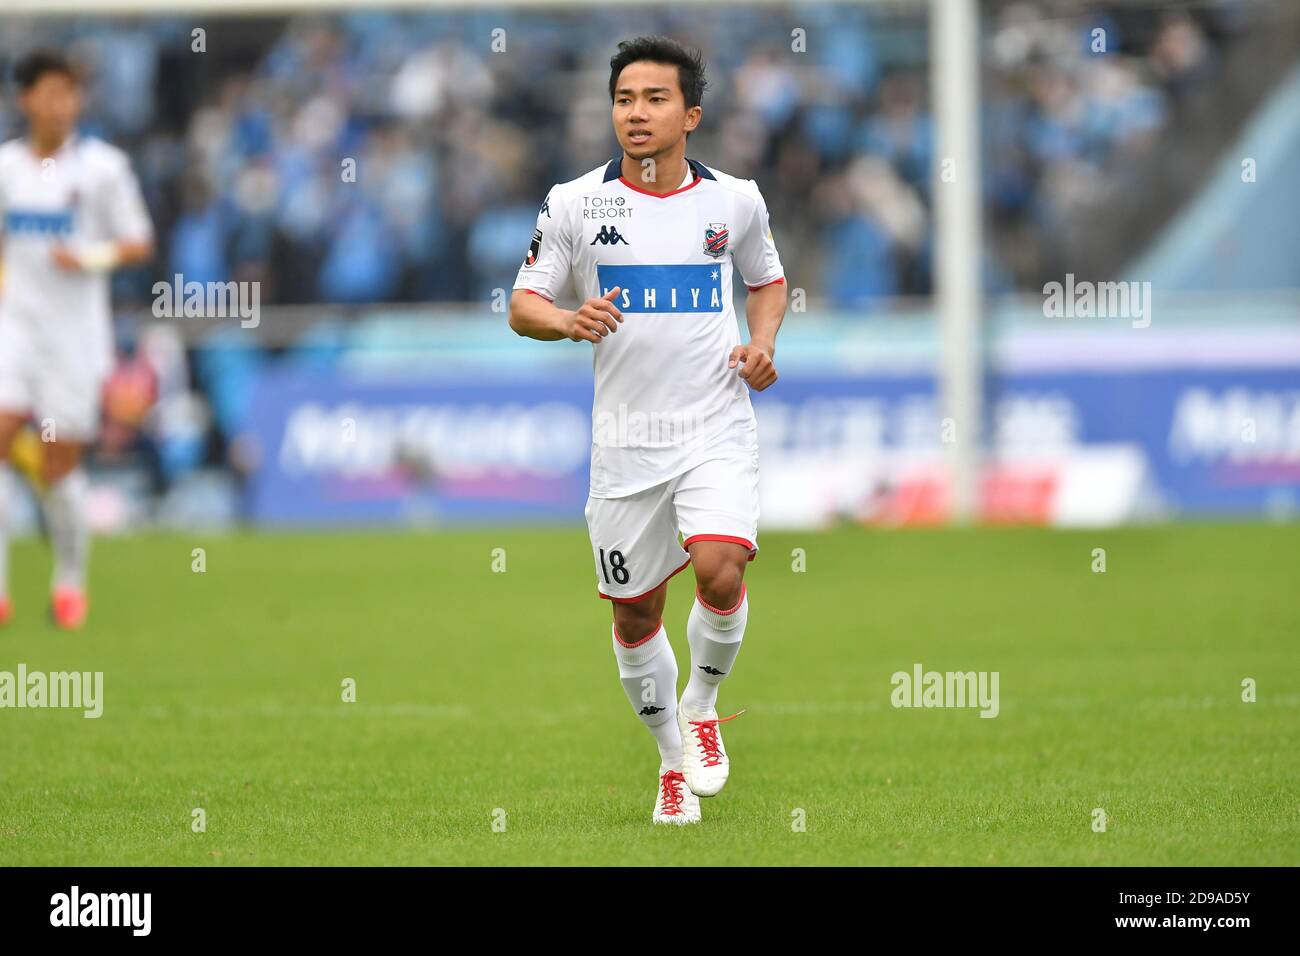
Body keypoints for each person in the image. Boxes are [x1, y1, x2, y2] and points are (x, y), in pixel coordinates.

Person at [508, 36, 787, 824]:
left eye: (655, 99)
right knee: (635, 615)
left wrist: (762, 344)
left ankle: (702, 703)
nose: (636, 113)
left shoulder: (735, 201)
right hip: (625, 442)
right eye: (625, 99)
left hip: (714, 423)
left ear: (690, 115)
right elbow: (522, 304)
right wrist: (567, 319)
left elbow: (768, 281)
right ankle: (671, 760)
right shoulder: (573, 203)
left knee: (721, 569)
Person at [0, 50, 155, 630]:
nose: (62, 105)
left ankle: (69, 582)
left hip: (74, 337)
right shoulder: (8, 168)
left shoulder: (103, 168)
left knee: (58, 465)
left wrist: (89, 255)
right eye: (51, 93)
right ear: (26, 99)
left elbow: (139, 241)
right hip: (15, 328)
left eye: (70, 94)